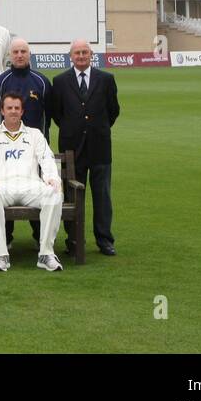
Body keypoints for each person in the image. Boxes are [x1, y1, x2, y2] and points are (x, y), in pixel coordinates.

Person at [47, 39, 120, 256]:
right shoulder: (59, 81)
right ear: (71, 56)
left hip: (100, 147)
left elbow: (113, 110)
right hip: (72, 148)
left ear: (91, 55)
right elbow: (57, 113)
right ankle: (74, 239)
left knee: (102, 195)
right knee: (72, 195)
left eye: (85, 52)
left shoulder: (106, 79)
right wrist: (74, 128)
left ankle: (104, 240)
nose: (81, 56)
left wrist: (97, 127)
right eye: (77, 53)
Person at [0, 92, 64, 272]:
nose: (13, 111)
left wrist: (52, 177)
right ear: (2, 111)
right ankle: (1, 255)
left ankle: (46, 253)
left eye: (17, 108)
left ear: (22, 111)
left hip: (30, 184)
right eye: (9, 108)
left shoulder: (35, 134)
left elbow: (46, 158)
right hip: (3, 185)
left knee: (55, 194)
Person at [0, 37, 50, 247]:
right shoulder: (0, 82)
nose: (20, 55)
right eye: (16, 52)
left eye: (23, 51)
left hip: (35, 148)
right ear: (10, 56)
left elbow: (49, 114)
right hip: (6, 148)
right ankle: (6, 238)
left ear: (29, 54)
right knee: (6, 186)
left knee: (35, 188)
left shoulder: (41, 81)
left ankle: (40, 238)